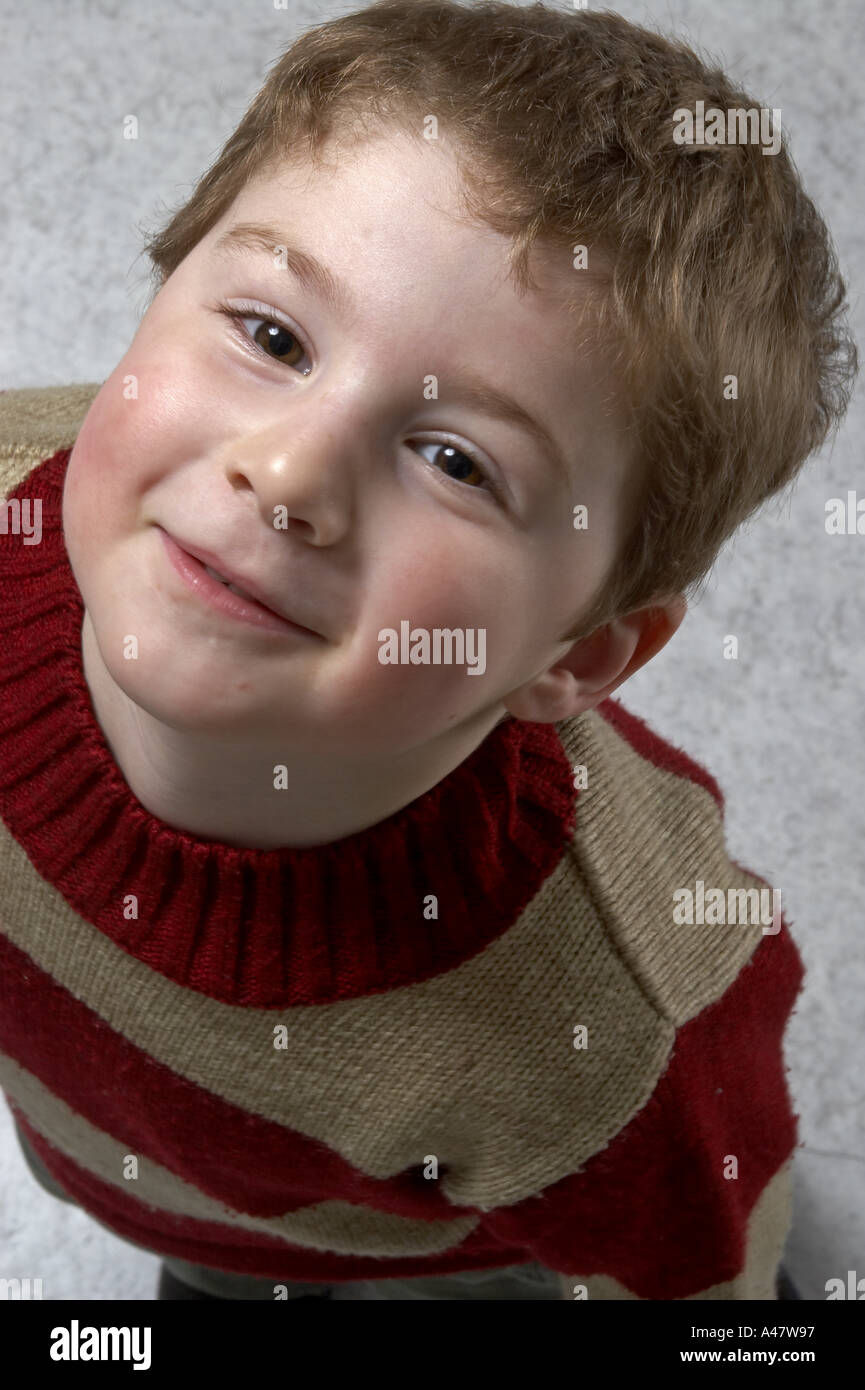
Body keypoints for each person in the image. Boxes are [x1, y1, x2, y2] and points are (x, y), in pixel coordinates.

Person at [0, 0, 855, 1300]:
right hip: (139, 1172)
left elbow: (695, 1259)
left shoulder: (620, 1019)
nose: (286, 472)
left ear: (577, 653)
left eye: (456, 461)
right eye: (271, 335)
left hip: (428, 1262)